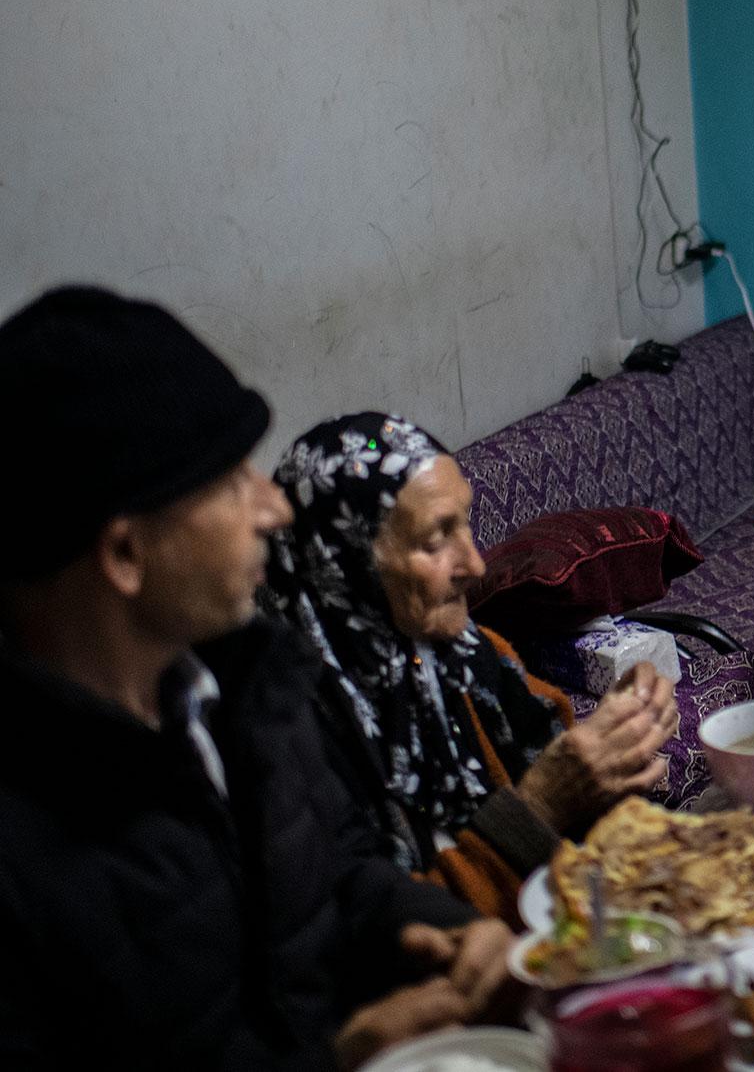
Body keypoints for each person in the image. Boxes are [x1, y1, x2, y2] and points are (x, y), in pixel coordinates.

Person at [0, 287, 514, 1070]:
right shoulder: (26, 849)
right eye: (232, 480)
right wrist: (338, 1059)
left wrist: (436, 924)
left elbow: (331, 871)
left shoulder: (248, 690)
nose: (274, 506)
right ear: (126, 555)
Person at [263, 412, 680, 924]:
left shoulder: (472, 656)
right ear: (345, 563)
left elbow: (579, 804)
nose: (476, 564)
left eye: (466, 522)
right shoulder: (289, 735)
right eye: (437, 539)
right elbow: (381, 947)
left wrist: (619, 745)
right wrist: (537, 810)